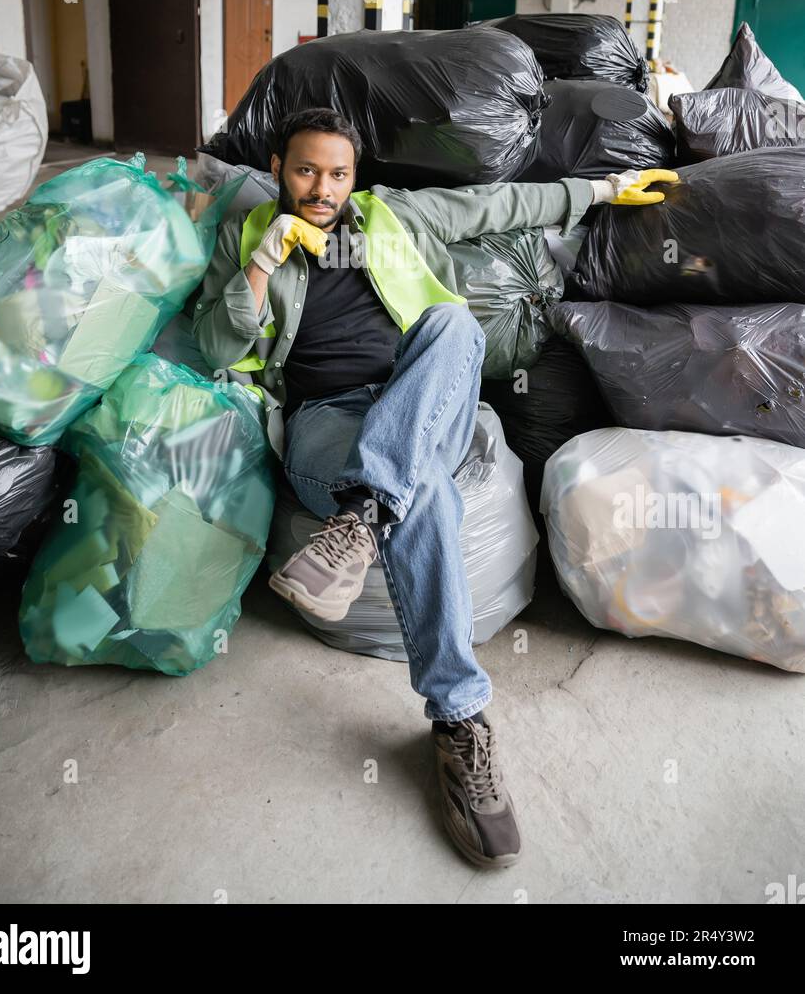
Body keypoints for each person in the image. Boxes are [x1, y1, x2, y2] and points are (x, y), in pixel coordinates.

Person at [193, 106, 675, 870]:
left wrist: (609, 188)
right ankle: (458, 720)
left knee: (454, 327)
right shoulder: (249, 235)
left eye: (338, 173)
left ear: (358, 178)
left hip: (424, 400)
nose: (321, 189)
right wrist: (263, 260)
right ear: (280, 170)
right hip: (325, 423)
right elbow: (216, 346)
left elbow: (506, 202)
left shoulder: (394, 218)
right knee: (431, 498)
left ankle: (362, 518)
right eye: (306, 171)